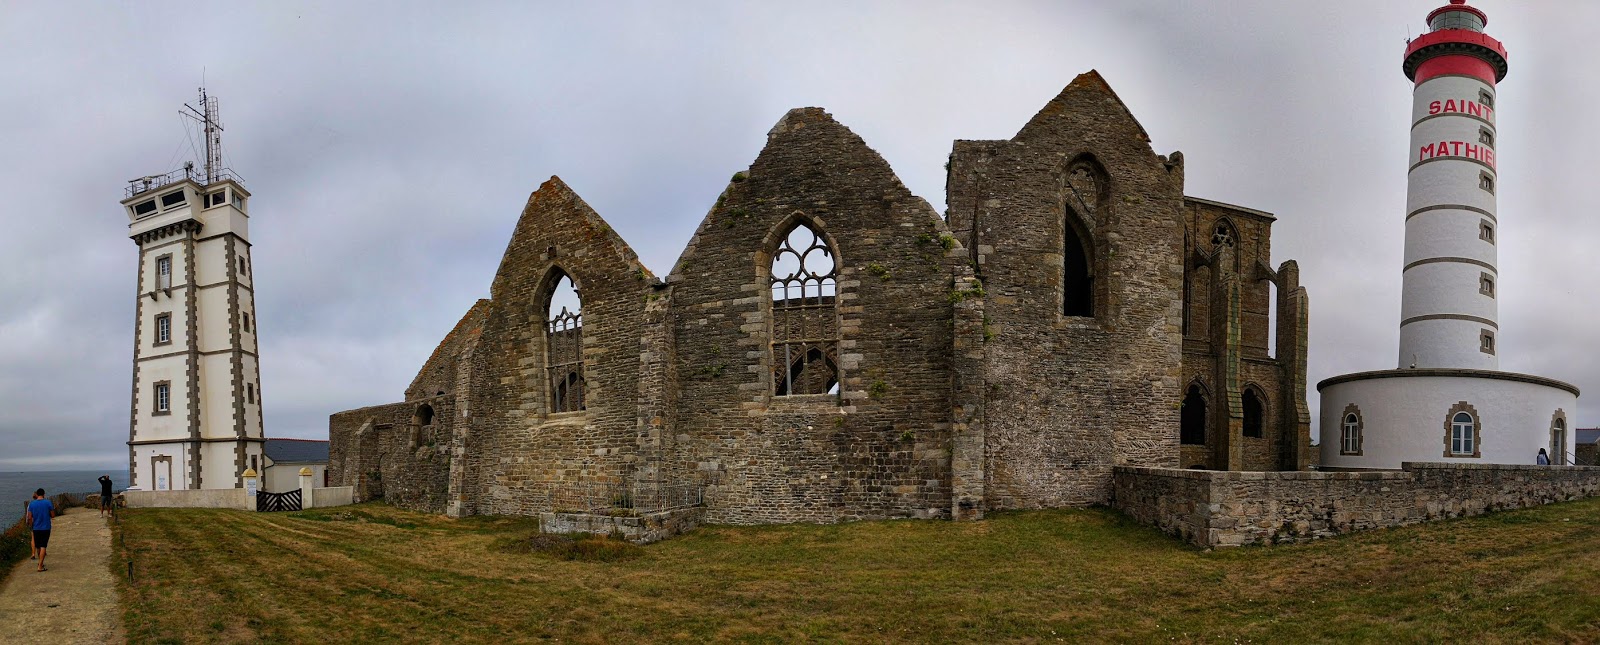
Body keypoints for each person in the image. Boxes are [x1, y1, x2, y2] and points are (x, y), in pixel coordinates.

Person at [25, 489, 54, 572]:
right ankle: (40, 566)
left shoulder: (32, 504)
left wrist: (31, 525)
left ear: (37, 494)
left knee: (38, 546)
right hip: (46, 527)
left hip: (36, 528)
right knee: (43, 546)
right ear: (44, 494)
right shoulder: (48, 502)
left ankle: (40, 563)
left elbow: (29, 517)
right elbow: (52, 515)